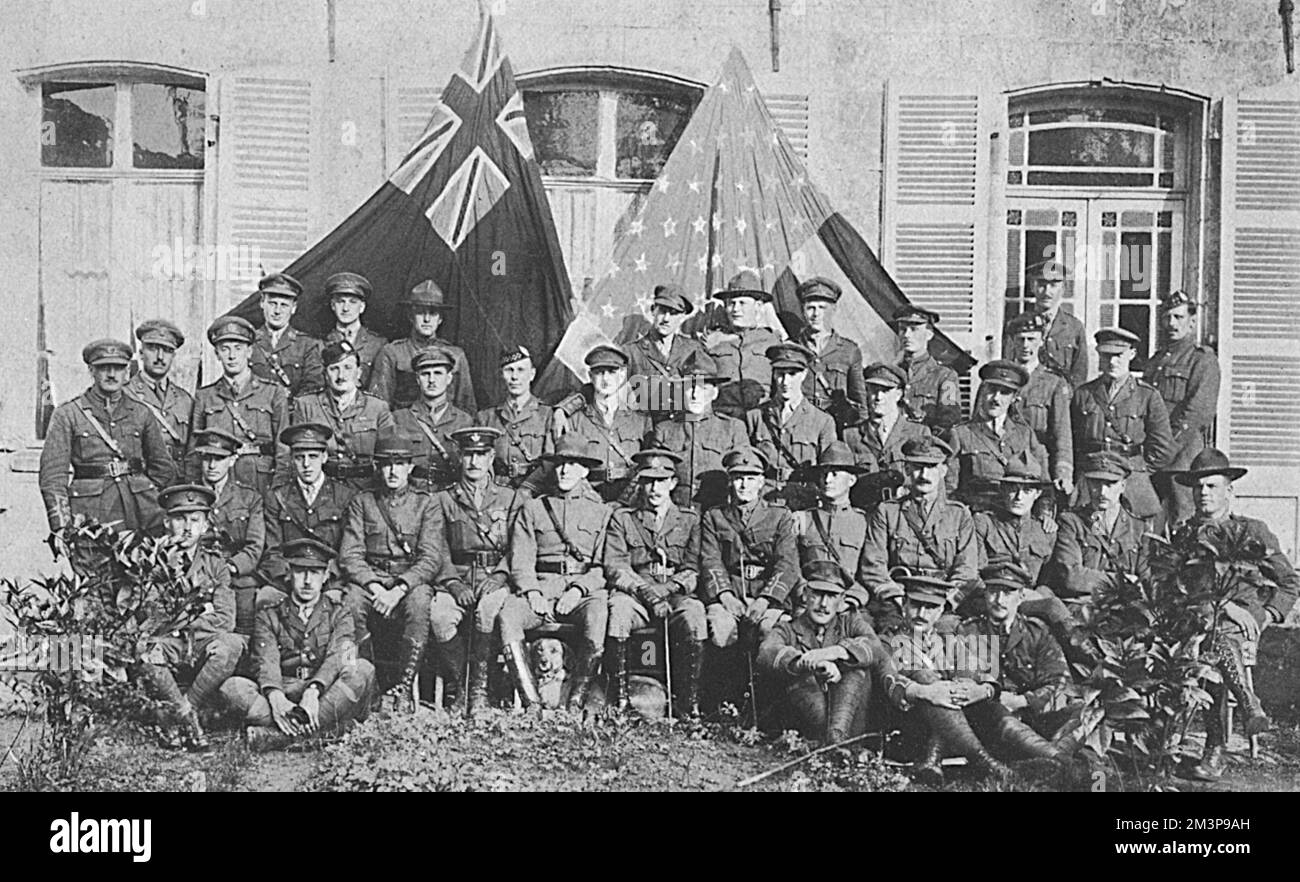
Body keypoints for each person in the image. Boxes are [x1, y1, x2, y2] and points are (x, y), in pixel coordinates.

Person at [1172, 449, 1300, 781]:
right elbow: (1177, 586)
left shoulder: (1252, 532)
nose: (1204, 493)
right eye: (1198, 487)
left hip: (1242, 627)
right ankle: (1247, 702)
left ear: (1230, 490)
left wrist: (1268, 615)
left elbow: (1289, 582)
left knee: (1217, 641)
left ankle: (1215, 749)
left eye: (1212, 486)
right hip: (1197, 618)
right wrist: (1223, 605)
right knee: (1212, 633)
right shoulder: (1184, 535)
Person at [881, 573, 1062, 785]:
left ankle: (1058, 758)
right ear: (904, 605)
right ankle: (989, 765)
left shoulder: (950, 643)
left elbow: (984, 677)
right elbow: (890, 681)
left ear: (940, 611)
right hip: (908, 731)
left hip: (953, 733)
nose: (922, 613)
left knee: (987, 703)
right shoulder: (887, 641)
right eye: (916, 605)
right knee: (925, 677)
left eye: (930, 607)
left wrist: (980, 690)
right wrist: (930, 690)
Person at [220, 538, 376, 752]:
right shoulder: (269, 613)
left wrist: (313, 690)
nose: (307, 581)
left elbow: (340, 656)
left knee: (362, 669)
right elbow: (267, 661)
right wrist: (276, 697)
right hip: (286, 691)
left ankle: (281, 737)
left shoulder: (341, 612)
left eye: (314, 573)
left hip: (324, 693)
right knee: (232, 687)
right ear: (289, 574)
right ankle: (329, 732)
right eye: (301, 571)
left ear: (325, 578)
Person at [497, 435, 613, 710]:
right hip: (543, 585)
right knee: (508, 615)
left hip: (583, 589)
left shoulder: (602, 512)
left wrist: (578, 591)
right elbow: (521, 559)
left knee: (598, 614)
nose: (564, 470)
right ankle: (531, 701)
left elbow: (602, 567)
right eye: (560, 463)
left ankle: (576, 700)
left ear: (585, 470)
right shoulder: (534, 508)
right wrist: (533, 592)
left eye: (572, 464)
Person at [338, 433, 444, 710]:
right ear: (377, 466)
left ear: (410, 467)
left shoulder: (426, 503)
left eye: (400, 464)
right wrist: (375, 588)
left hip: (409, 581)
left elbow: (431, 558)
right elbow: (350, 554)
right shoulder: (363, 502)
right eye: (386, 464)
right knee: (349, 605)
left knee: (421, 604)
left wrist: (398, 590)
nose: (393, 471)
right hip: (370, 579)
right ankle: (364, 684)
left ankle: (404, 688)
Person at [39, 339, 177, 549]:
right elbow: (53, 476)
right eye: (104, 368)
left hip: (140, 517)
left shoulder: (142, 413)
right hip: (89, 518)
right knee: (94, 579)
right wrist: (60, 526)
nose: (112, 374)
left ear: (127, 372)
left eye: (119, 368)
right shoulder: (68, 414)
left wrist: (147, 495)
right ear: (91, 370)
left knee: (140, 578)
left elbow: (163, 467)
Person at [135, 484, 242, 751]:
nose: (187, 527)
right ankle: (189, 720)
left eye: (195, 520)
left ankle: (183, 712)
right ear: (166, 522)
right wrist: (201, 610)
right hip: (168, 643)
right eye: (180, 519)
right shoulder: (153, 564)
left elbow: (226, 618)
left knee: (231, 645)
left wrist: (183, 620)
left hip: (203, 643)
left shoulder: (216, 564)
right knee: (145, 649)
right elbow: (151, 618)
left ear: (206, 526)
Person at [603, 447, 707, 716]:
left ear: (673, 483)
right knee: (618, 611)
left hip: (674, 593)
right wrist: (646, 592)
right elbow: (616, 566)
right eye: (648, 481)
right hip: (636, 593)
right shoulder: (623, 518)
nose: (654, 488)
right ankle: (622, 700)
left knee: (694, 614)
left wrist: (668, 589)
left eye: (661, 481)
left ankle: (689, 704)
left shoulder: (689, 519)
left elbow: (693, 568)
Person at [432, 426, 521, 716]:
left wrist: (500, 575)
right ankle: (461, 686)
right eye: (468, 455)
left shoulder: (510, 499)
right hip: (456, 577)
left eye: (480, 455)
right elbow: (437, 548)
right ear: (460, 457)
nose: (474, 462)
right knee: (440, 616)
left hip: (495, 578)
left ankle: (480, 691)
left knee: (488, 610)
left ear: (491, 457)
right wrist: (452, 583)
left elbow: (519, 546)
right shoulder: (443, 500)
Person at [758, 559, 891, 745]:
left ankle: (837, 739)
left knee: (858, 668)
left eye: (831, 596)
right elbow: (767, 651)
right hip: (805, 724)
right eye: (817, 595)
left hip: (852, 721)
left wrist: (835, 652)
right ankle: (833, 743)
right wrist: (804, 662)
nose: (823, 604)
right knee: (802, 677)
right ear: (805, 594)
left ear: (842, 599)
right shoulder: (787, 628)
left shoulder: (851, 623)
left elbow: (876, 648)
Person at [956, 561, 1075, 738]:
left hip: (1031, 716)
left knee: (1078, 709)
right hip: (990, 722)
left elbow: (1061, 684)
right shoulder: (969, 631)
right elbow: (969, 685)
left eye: (1008, 593)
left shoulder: (1037, 633)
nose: (999, 600)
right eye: (993, 592)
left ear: (1021, 597)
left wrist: (1021, 701)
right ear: (985, 595)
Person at [699, 447, 799, 649]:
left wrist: (764, 600)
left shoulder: (779, 516)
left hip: (768, 596)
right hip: (730, 593)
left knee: (771, 631)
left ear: (761, 482)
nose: (744, 485)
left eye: (751, 478)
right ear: (730, 481)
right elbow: (711, 560)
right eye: (738, 478)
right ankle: (726, 682)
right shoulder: (715, 516)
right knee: (721, 630)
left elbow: (787, 564)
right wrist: (726, 596)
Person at [1070, 327, 1174, 520]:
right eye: (1106, 355)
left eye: (1118, 355)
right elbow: (1072, 442)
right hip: (1092, 477)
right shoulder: (1083, 394)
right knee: (1084, 528)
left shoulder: (1147, 396)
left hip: (1131, 477)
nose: (1112, 362)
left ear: (1132, 354)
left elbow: (1163, 448)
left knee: (1135, 532)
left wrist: (1138, 470)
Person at [858, 437, 978, 600]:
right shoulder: (887, 511)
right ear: (907, 469)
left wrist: (948, 602)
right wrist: (894, 597)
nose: (924, 475)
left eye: (931, 467)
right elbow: (874, 566)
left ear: (943, 471)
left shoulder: (958, 514)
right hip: (900, 595)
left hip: (941, 596)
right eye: (917, 467)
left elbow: (966, 569)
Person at [1145, 290, 1221, 527]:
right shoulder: (1156, 361)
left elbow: (1198, 412)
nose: (1171, 324)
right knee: (1150, 520)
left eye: (1178, 317)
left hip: (1182, 458)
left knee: (1183, 519)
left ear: (1192, 322)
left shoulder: (1202, 360)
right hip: (1154, 455)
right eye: (1167, 317)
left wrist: (1166, 446)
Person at [191, 316, 290, 492]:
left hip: (260, 483)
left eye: (238, 348)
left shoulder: (273, 392)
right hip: (218, 485)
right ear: (217, 355)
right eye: (224, 349)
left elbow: (283, 448)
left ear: (249, 352)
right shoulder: (204, 396)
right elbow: (194, 451)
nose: (231, 356)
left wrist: (278, 488)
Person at [646, 350, 749, 511]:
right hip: (677, 517)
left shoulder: (733, 428)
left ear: (715, 393)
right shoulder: (665, 429)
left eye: (702, 388)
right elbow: (651, 475)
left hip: (716, 515)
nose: (695, 394)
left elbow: (745, 477)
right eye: (689, 387)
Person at [944, 359, 1050, 511]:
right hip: (977, 516)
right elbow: (949, 489)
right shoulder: (961, 434)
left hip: (1014, 514)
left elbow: (1043, 483)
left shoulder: (1025, 434)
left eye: (1005, 393)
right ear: (983, 391)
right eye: (992, 390)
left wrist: (1044, 513)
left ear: (1014, 398)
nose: (996, 398)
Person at [1043, 452, 1150, 601]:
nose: (1102, 492)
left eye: (1110, 484)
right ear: (1087, 483)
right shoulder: (1072, 522)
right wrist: (1122, 581)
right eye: (1096, 483)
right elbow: (1071, 576)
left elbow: (1147, 581)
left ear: (1123, 486)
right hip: (1083, 606)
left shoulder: (1138, 528)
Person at [293, 339, 394, 491]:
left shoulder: (377, 407)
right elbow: (297, 454)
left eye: (348, 368)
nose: (341, 375)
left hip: (366, 489)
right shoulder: (306, 405)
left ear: (359, 372)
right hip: (323, 489)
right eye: (334, 369)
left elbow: (388, 456)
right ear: (325, 374)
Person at [261, 423, 358, 583]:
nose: (306, 465)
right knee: (266, 599)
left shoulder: (344, 496)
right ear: (292, 459)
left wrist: (326, 576)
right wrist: (290, 578)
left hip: (331, 579)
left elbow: (347, 550)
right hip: (289, 579)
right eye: (300, 457)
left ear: (324, 457)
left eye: (313, 456)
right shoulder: (277, 497)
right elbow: (273, 551)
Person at [557, 344, 652, 504]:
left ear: (622, 375)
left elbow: (647, 465)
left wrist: (625, 500)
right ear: (590, 376)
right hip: (588, 500)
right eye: (599, 373)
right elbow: (569, 464)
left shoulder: (640, 419)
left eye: (612, 372)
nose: (606, 379)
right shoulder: (575, 420)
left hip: (630, 501)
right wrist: (593, 501)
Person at [194, 427, 266, 637]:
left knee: (246, 624)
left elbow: (254, 546)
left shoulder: (249, 498)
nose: (212, 465)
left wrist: (231, 567)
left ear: (233, 460)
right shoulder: (189, 496)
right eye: (207, 458)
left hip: (237, 577)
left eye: (219, 458)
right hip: (197, 576)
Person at [370, 279, 476, 414]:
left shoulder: (456, 355)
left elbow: (467, 407)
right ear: (410, 316)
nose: (427, 319)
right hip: (405, 430)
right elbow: (379, 404)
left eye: (432, 313)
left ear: (440, 319)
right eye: (420, 312)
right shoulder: (392, 353)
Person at [1003, 310, 1074, 500]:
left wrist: (1063, 473)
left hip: (1040, 466)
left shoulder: (1054, 383)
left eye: (1032, 339)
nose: (1026, 345)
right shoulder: (1000, 378)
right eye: (1020, 339)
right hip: (1004, 465)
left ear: (1042, 340)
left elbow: (1062, 436)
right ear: (1012, 341)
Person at [745, 342, 836, 488]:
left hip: (803, 496)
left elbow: (828, 469)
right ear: (773, 374)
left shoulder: (822, 421)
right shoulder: (755, 417)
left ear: (804, 374)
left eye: (792, 374)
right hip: (764, 495)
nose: (785, 381)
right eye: (780, 374)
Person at [843, 362, 932, 509]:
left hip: (904, 515)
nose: (878, 397)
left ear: (899, 394)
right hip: (865, 514)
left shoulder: (918, 433)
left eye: (886, 390)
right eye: (873, 390)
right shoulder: (851, 436)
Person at [476, 345, 558, 492]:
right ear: (501, 374)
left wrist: (527, 489)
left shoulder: (547, 415)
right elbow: (481, 462)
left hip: (535, 492)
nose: (515, 377)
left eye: (521, 370)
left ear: (532, 374)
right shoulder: (486, 418)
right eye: (509, 370)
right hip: (497, 492)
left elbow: (550, 462)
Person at [393, 347, 474, 489]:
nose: (431, 380)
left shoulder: (464, 421)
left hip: (450, 495)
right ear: (417, 379)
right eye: (425, 374)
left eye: (438, 373)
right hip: (413, 495)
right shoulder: (399, 418)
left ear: (449, 378)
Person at [705, 269, 782, 418]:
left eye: (742, 303)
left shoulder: (772, 341)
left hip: (761, 419)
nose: (735, 309)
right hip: (724, 420)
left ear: (758, 307)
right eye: (731, 303)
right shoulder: (713, 341)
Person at [794, 277, 867, 430]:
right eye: (810, 308)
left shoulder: (849, 350)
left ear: (834, 309)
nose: (816, 314)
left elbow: (860, 401)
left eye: (822, 308)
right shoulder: (792, 347)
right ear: (803, 310)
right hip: (799, 426)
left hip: (835, 427)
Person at [127, 318, 194, 467]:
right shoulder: (125, 394)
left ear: (173, 357)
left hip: (178, 479)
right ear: (141, 353)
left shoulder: (185, 400)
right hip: (142, 481)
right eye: (153, 348)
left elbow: (192, 449)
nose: (160, 357)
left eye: (167, 351)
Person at [248, 272, 324, 400]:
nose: (277, 311)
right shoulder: (249, 341)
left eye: (284, 305)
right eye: (272, 304)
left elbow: (312, 387)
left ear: (293, 308)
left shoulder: (307, 345)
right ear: (262, 303)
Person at [892, 306, 961, 431]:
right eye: (903, 329)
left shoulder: (945, 376)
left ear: (929, 334)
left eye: (914, 329)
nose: (907, 335)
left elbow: (949, 419)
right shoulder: (890, 372)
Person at [625, 284, 707, 386]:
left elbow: (704, 388)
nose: (666, 319)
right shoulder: (631, 352)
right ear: (653, 310)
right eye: (662, 311)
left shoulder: (692, 350)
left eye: (674, 313)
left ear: (682, 316)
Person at [1025, 259, 1087, 388]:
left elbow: (1079, 375)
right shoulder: (1017, 325)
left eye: (1053, 285)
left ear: (1063, 288)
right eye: (1041, 284)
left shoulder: (1074, 327)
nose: (1047, 292)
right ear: (1032, 286)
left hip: (1061, 400)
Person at [323, 271, 387, 390]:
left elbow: (379, 389)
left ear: (362, 307)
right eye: (340, 302)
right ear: (332, 305)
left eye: (352, 302)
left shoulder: (377, 344)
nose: (346, 308)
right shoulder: (321, 342)